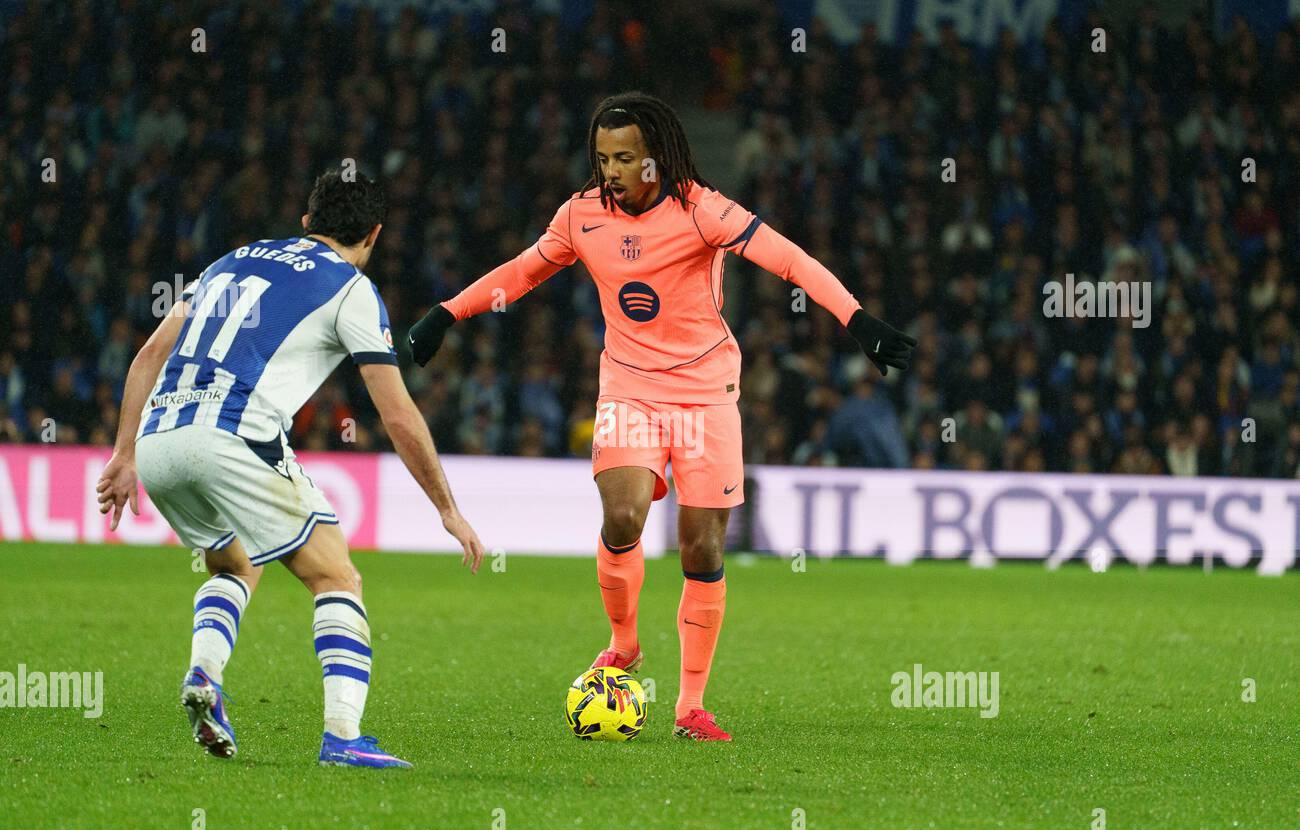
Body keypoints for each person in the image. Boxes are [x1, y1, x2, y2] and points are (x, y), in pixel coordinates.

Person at [409, 92, 914, 741]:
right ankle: (623, 645)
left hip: (707, 393)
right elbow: (524, 271)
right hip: (629, 388)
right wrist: (446, 313)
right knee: (622, 515)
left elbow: (790, 259)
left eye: (625, 157)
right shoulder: (581, 216)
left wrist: (857, 319)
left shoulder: (702, 209)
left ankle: (690, 706)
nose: (611, 169)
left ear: (657, 158)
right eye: (602, 157)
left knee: (701, 547)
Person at [96, 170, 483, 769]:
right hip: (232, 433)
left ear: (306, 222)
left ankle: (206, 675)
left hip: (158, 439)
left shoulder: (228, 262)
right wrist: (448, 508)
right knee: (336, 576)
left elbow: (149, 355)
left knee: (234, 565)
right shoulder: (351, 288)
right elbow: (397, 412)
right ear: (374, 234)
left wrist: (123, 454)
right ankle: (343, 737)